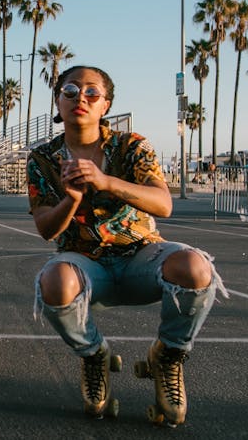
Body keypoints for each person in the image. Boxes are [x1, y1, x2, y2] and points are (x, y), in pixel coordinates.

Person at [27, 65, 226, 425]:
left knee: (196, 268)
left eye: (92, 92)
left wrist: (105, 181)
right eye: (70, 91)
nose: (80, 99)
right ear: (58, 101)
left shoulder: (130, 146)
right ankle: (94, 355)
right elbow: (45, 228)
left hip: (141, 256)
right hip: (86, 264)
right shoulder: (43, 159)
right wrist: (71, 200)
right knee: (54, 282)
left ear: (106, 105)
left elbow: (163, 204)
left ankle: (168, 355)